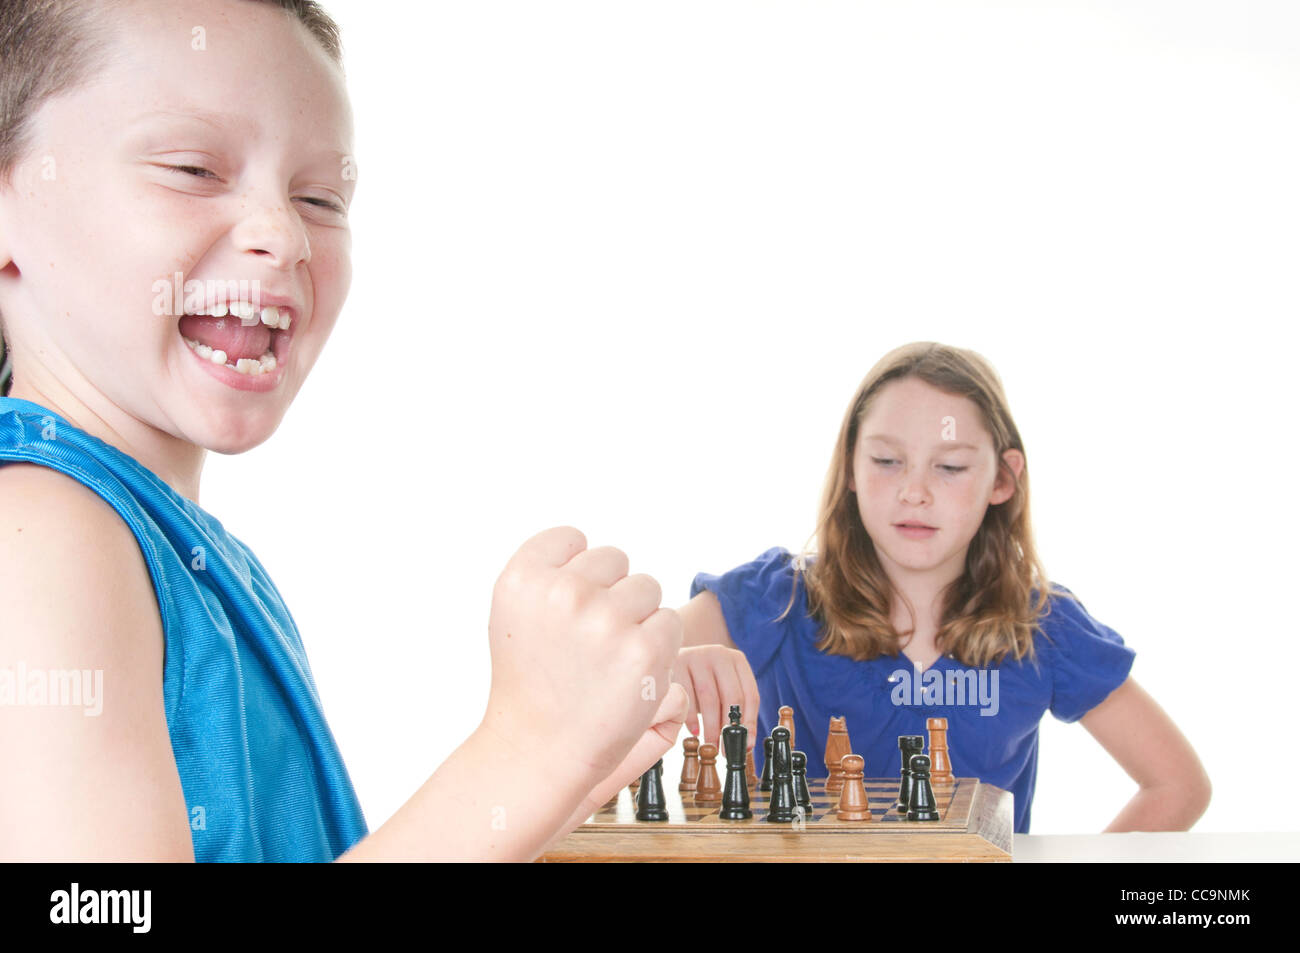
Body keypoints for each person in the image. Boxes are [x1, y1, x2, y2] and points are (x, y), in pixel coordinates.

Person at [0, 0, 686, 862]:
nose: (281, 235)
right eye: (192, 168)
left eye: (320, 196)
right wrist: (523, 751)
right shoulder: (39, 534)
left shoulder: (178, 554)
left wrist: (567, 769)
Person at [672, 342, 1210, 833]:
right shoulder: (775, 599)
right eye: (886, 461)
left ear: (1002, 478)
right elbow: (625, 673)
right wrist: (672, 666)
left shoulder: (1045, 627)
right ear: (852, 467)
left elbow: (1177, 785)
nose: (914, 492)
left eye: (950, 466)